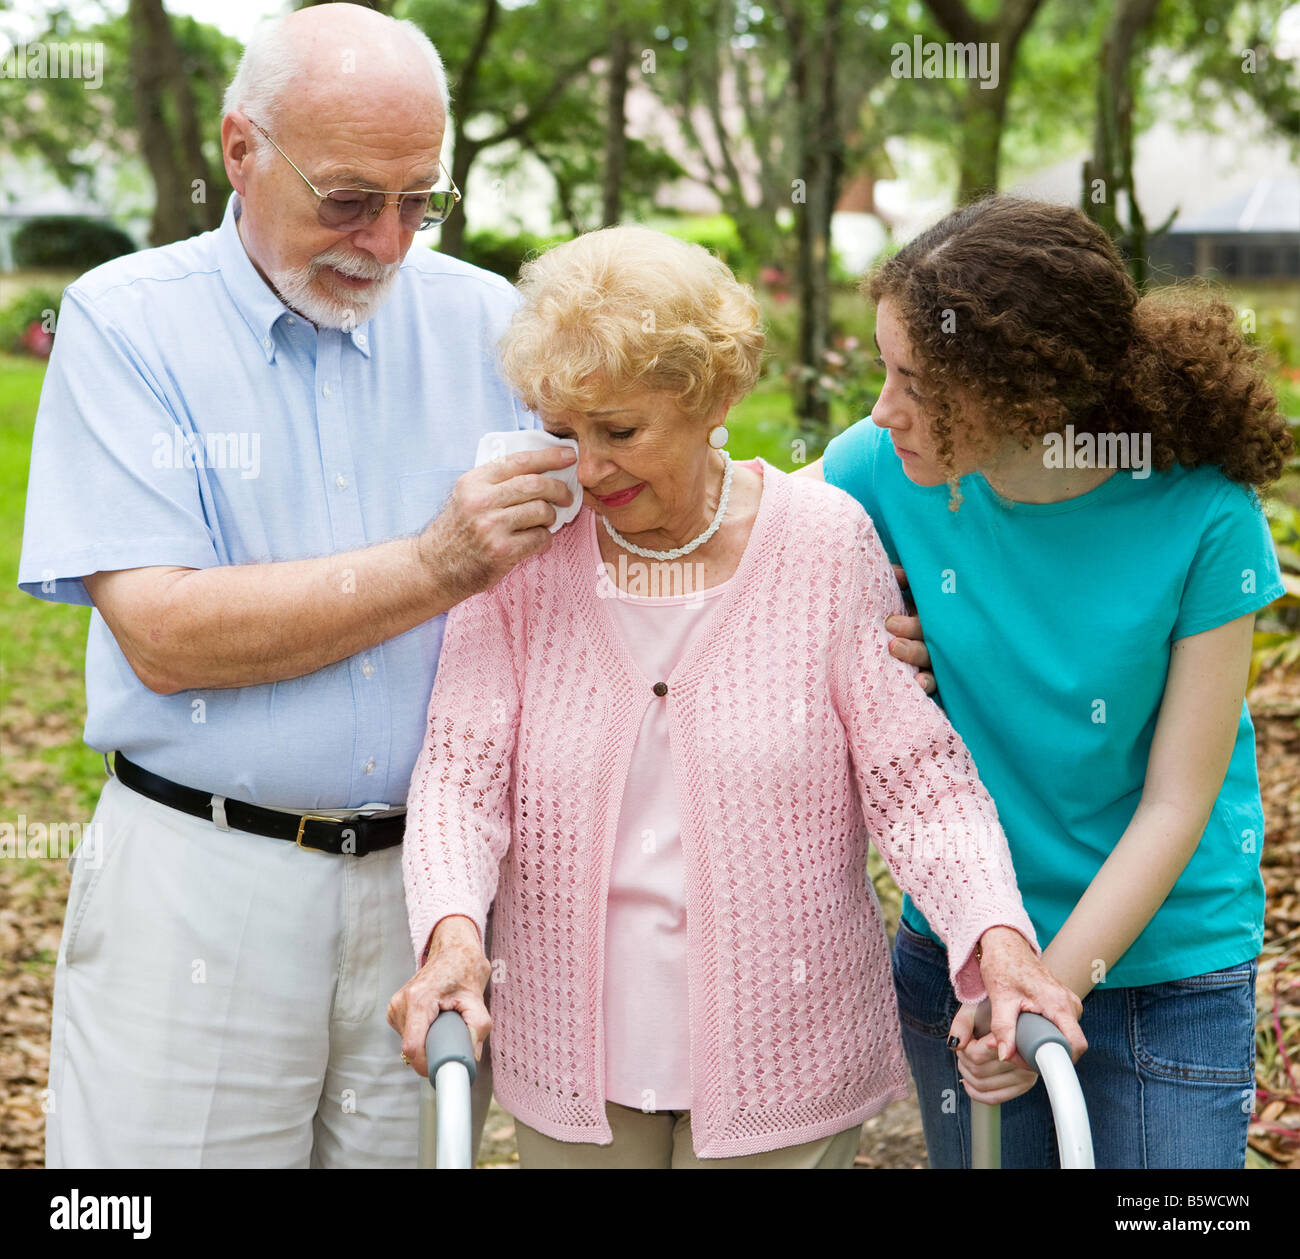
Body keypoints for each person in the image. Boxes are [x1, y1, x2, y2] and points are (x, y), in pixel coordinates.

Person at [386, 224, 1086, 1168]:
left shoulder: (825, 543)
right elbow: (461, 776)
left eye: (620, 432)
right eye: (561, 432)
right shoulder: (520, 549)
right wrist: (453, 937)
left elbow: (916, 779)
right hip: (571, 1063)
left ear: (713, 396)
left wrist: (996, 936)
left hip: (784, 1062)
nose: (586, 470)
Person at [16, 4, 578, 1168]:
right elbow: (165, 634)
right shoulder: (127, 322)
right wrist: (437, 562)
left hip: (436, 898)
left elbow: (626, 526)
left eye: (419, 201)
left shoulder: (492, 325)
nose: (383, 240)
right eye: (347, 198)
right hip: (199, 877)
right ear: (240, 148)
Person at [797, 194, 1292, 1168]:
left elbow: (1176, 799)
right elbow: (738, 551)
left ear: (1025, 396)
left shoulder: (1202, 513)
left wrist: (1046, 986)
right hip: (965, 952)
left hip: (1167, 970)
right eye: (882, 371)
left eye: (914, 383)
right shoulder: (882, 466)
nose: (879, 409)